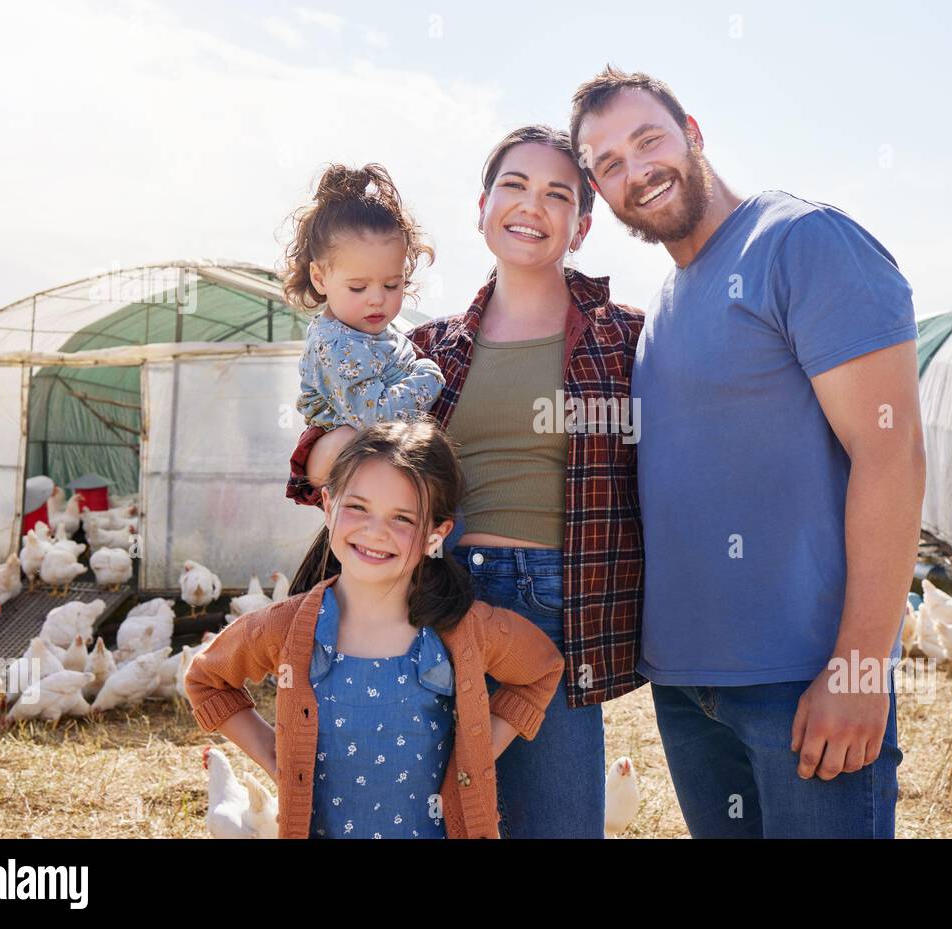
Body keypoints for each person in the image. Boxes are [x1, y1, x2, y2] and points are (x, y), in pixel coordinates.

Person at [571, 66, 926, 838]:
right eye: (608, 165)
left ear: (693, 132)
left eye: (647, 139)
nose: (636, 170)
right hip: (686, 686)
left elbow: (892, 456)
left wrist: (861, 666)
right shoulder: (661, 308)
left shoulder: (801, 241)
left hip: (800, 683)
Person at [285, 126, 645, 838]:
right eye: (513, 185)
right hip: (433, 595)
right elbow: (317, 466)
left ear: (583, 224)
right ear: (483, 205)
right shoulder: (427, 347)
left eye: (557, 193)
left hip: (559, 605)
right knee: (431, 815)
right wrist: (344, 446)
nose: (530, 206)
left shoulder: (624, 339)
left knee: (558, 822)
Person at [185, 420, 564, 838]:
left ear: (436, 534)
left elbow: (541, 668)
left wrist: (475, 753)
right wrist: (276, 755)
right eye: (358, 507)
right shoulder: (288, 627)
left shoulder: (463, 629)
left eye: (402, 518)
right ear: (328, 506)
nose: (375, 531)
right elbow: (207, 679)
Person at [284, 162, 445, 485]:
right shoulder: (339, 345)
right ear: (319, 278)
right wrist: (429, 376)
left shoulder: (369, 331)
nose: (377, 299)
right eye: (358, 287)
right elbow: (376, 417)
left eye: (391, 285)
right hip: (357, 468)